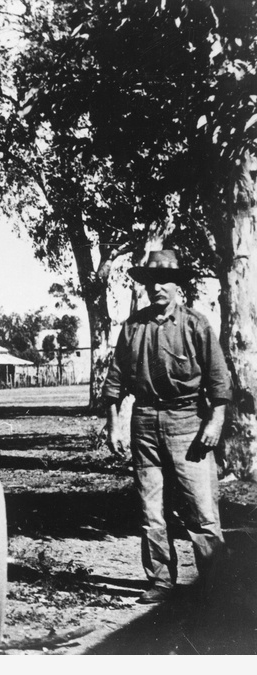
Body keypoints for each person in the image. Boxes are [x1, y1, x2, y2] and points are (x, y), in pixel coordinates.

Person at [102, 250, 231, 604]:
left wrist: (215, 421)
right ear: (144, 286)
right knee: (151, 510)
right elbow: (114, 384)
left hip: (188, 422)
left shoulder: (196, 324)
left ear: (178, 285)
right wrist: (115, 425)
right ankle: (160, 581)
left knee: (202, 511)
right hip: (144, 423)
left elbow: (220, 382)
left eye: (165, 281)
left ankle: (216, 587)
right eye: (150, 282)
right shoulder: (133, 327)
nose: (157, 287)